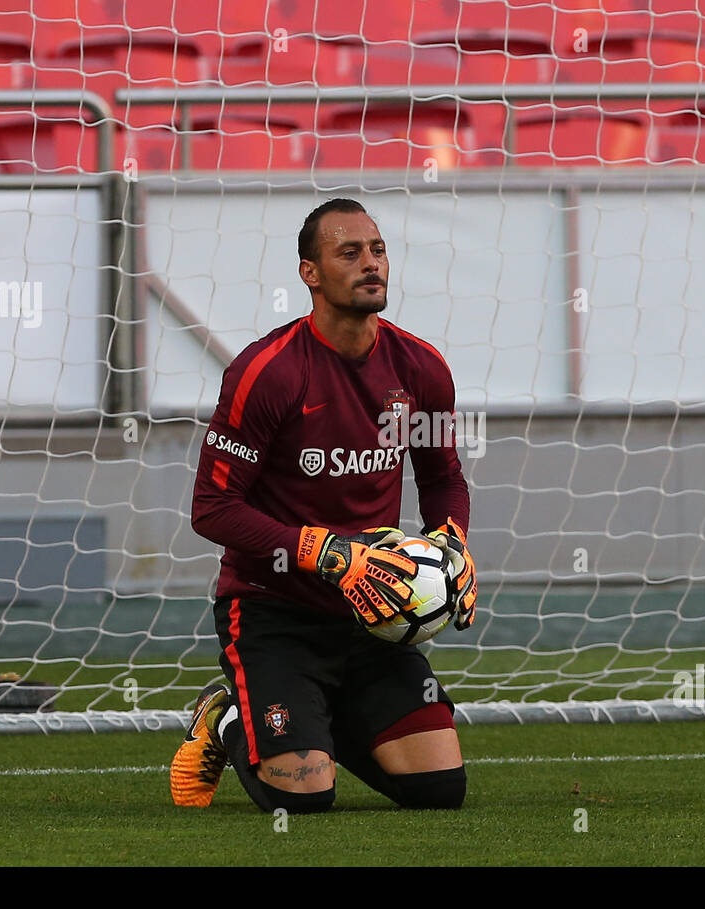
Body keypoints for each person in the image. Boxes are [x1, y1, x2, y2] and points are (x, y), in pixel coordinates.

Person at [171, 198, 478, 814]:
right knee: (304, 799)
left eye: (379, 250)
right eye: (349, 252)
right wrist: (330, 553)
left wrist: (451, 544)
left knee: (439, 791)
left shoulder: (421, 369)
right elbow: (212, 508)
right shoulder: (268, 373)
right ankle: (228, 715)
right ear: (310, 273)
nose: (372, 264)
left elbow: (443, 477)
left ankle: (310, 716)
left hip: (372, 617)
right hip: (272, 611)